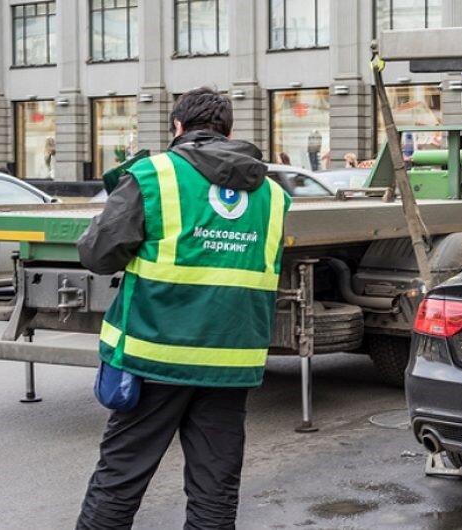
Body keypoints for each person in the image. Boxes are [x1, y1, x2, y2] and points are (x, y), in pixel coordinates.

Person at [75, 87, 291, 530]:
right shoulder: (272, 194)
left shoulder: (154, 175)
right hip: (230, 362)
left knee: (119, 482)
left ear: (177, 127)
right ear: (229, 131)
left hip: (154, 357)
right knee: (215, 489)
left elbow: (98, 255)